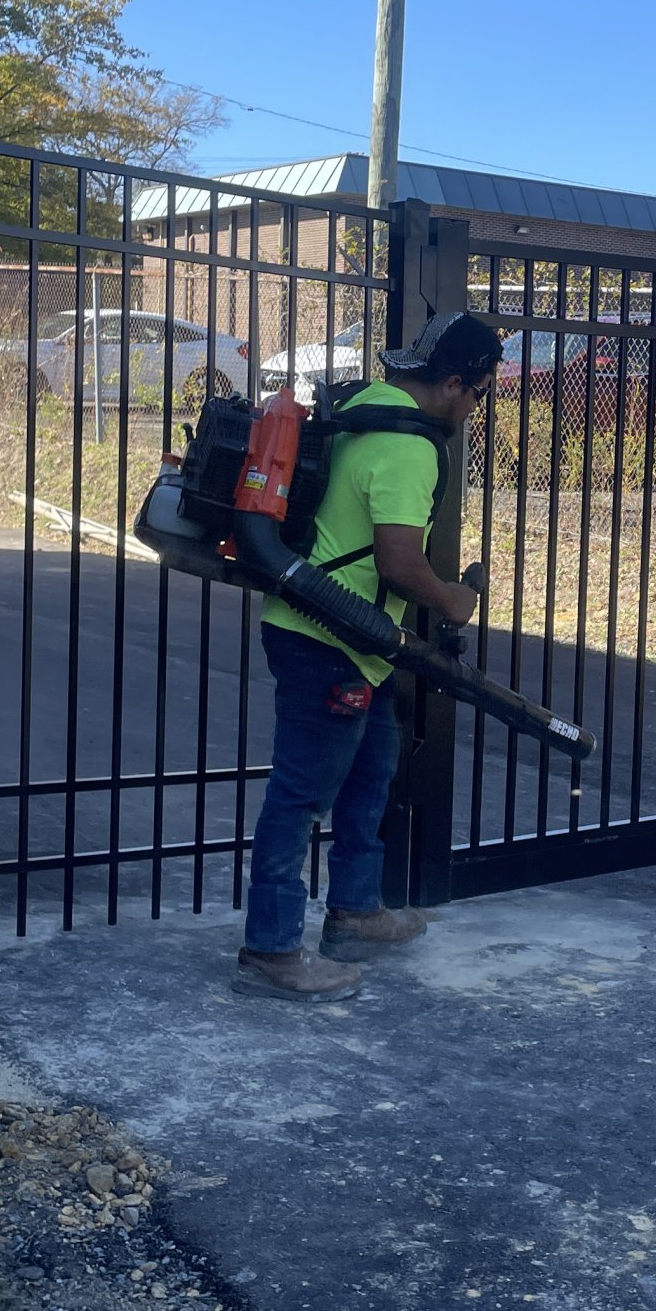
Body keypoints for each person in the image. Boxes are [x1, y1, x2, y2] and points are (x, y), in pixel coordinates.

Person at [237, 310, 502, 1000]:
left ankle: (356, 910)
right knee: (300, 798)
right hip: (328, 638)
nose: (474, 407)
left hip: (356, 644)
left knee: (369, 774)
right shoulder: (411, 446)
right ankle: (272, 947)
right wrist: (452, 601)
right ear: (453, 383)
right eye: (478, 393)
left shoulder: (365, 414)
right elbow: (398, 560)